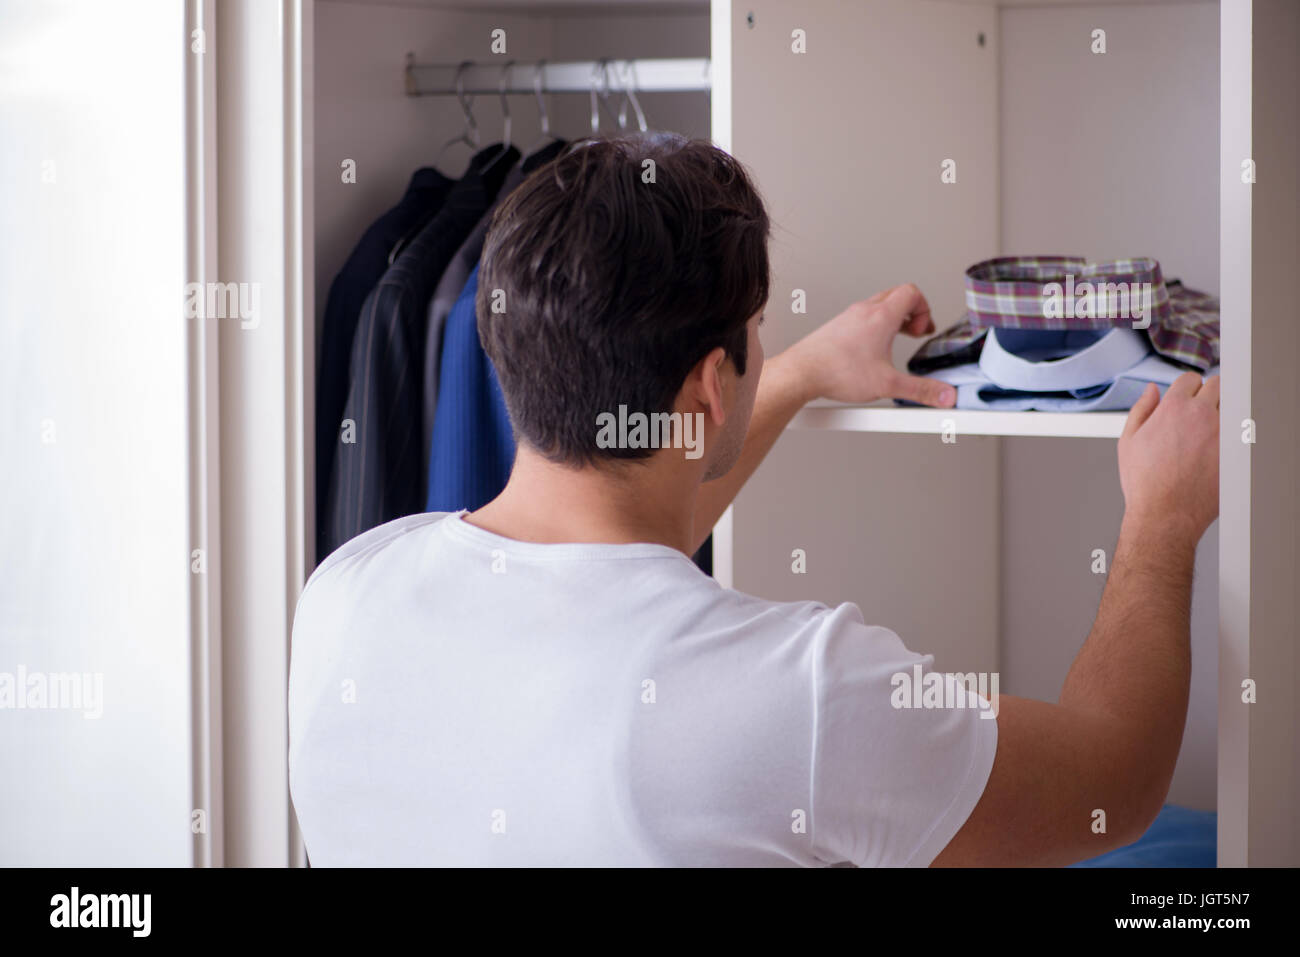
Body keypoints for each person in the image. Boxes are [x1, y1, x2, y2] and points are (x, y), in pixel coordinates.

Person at [288, 134, 1220, 866]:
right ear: (708, 388)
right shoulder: (801, 695)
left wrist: (805, 371)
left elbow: (616, 559)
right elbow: (1115, 777)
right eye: (761, 332)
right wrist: (1162, 519)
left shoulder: (347, 591)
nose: (768, 346)